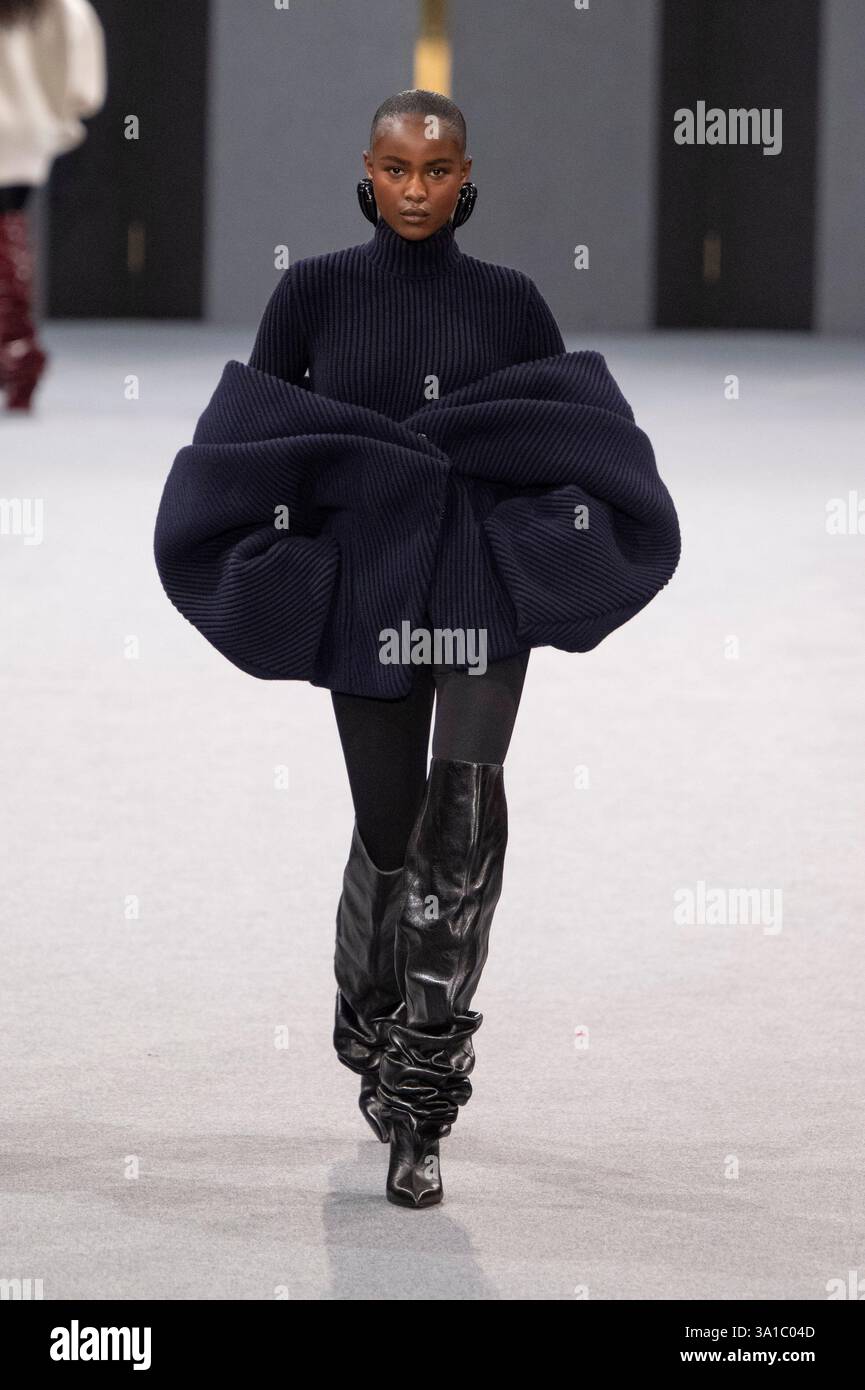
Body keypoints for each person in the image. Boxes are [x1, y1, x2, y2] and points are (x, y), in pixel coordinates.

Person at [154, 88, 681, 1210]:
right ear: (367, 169)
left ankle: (422, 1095)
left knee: (464, 816)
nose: (414, 189)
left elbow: (567, 438)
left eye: (435, 171)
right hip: (372, 590)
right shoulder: (314, 293)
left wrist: (523, 541)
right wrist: (309, 565)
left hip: (477, 586)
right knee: (389, 832)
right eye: (396, 169)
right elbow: (257, 446)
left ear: (465, 177)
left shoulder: (510, 302)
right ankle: (369, 1009)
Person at [0, 0, 106, 411]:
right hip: (26, 133)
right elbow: (84, 88)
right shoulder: (60, 6)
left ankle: (17, 350)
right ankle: (18, 350)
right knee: (9, 232)